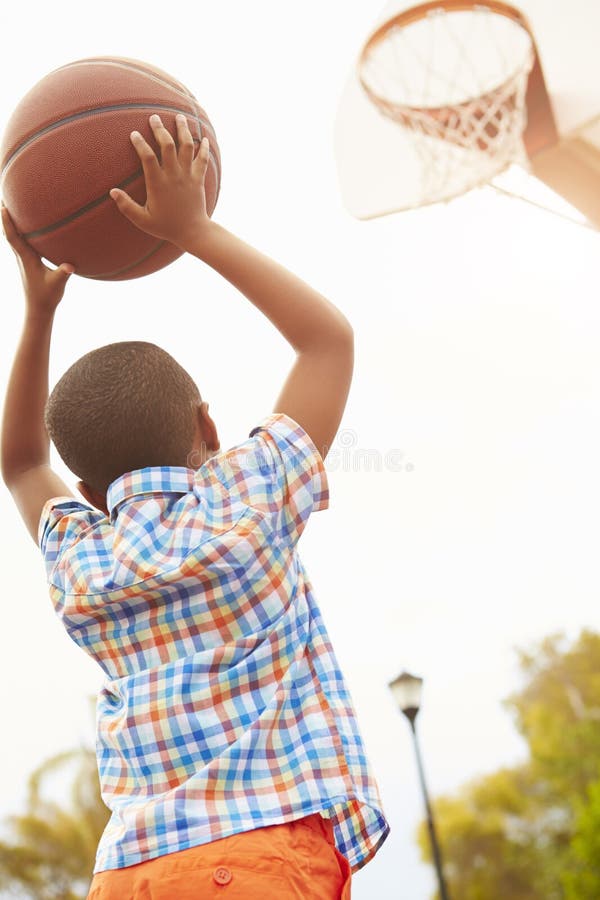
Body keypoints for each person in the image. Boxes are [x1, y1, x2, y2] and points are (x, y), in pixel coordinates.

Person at [1, 113, 389, 898]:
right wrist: (193, 231)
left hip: (130, 874)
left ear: (83, 493)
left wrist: (38, 309)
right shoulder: (248, 498)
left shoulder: (82, 562)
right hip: (256, 862)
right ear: (208, 427)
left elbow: (17, 462)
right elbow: (328, 342)